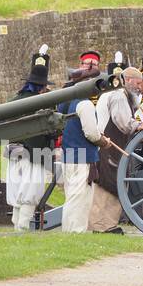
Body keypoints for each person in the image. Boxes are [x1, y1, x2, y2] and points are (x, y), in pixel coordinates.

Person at [6, 46, 57, 231]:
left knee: (18, 193)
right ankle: (22, 227)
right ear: (42, 86)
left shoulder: (14, 99)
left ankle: (17, 228)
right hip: (35, 153)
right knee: (29, 193)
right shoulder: (45, 102)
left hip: (14, 151)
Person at [89, 65, 143, 233]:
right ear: (127, 80)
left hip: (115, 146)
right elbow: (123, 122)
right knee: (106, 185)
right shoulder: (119, 96)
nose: (139, 87)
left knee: (114, 185)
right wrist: (138, 125)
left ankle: (108, 225)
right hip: (109, 145)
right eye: (138, 83)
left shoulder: (123, 95)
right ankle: (99, 226)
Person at [57, 64, 103, 233]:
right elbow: (91, 134)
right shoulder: (85, 104)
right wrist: (103, 141)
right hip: (83, 157)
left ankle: (69, 231)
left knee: (72, 197)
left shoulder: (65, 103)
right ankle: (75, 232)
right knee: (80, 198)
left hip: (69, 155)